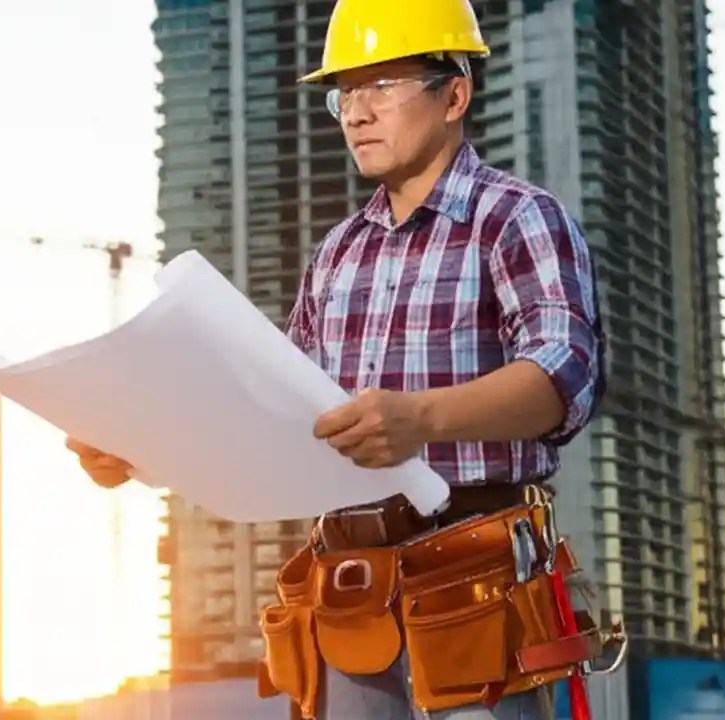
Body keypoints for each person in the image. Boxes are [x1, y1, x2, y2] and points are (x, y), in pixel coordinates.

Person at [66, 0, 606, 717]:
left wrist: (421, 419)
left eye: (380, 86)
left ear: (455, 93)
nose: (355, 112)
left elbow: (564, 374)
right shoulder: (338, 253)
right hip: (352, 596)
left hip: (478, 592)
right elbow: (277, 417)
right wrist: (138, 451)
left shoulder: (515, 218)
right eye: (345, 93)